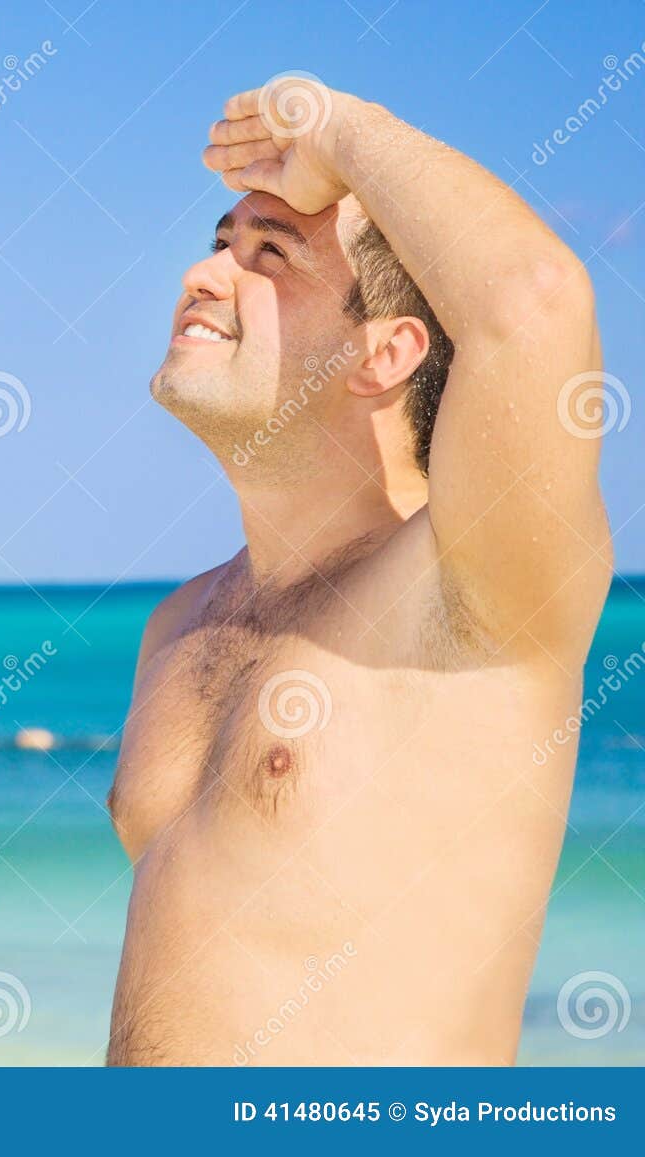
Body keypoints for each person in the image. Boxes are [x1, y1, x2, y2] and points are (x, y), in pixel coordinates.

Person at [106, 77, 612, 1065]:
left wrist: (339, 126)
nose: (203, 276)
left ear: (383, 354)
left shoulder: (470, 582)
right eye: (218, 243)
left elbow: (535, 302)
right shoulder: (178, 625)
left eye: (269, 253)